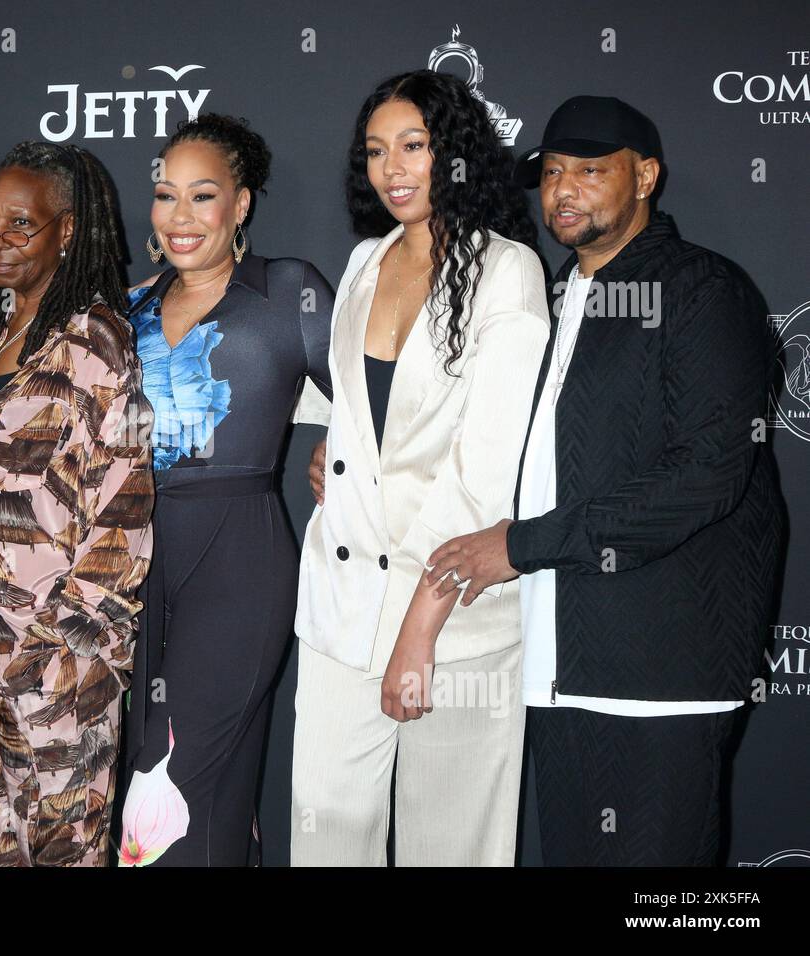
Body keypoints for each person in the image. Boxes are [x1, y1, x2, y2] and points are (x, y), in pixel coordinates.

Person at [427, 95, 785, 866]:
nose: (563, 189)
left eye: (591, 170)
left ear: (647, 176)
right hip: (559, 661)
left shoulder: (703, 291)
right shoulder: (551, 297)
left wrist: (522, 546)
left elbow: (706, 474)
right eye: (553, 172)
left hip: (662, 661)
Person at [292, 70, 548, 866]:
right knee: (325, 829)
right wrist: (331, 451)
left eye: (414, 146)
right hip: (343, 605)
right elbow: (355, 407)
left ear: (456, 154)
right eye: (376, 152)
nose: (393, 169)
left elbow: (483, 474)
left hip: (455, 614)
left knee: (454, 844)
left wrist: (418, 633)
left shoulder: (508, 270)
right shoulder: (364, 263)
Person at [0, 141, 154, 867]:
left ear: (67, 232)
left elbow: (124, 509)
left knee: (63, 854)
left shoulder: (97, 342)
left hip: (52, 665)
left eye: (21, 224)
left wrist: (60, 651)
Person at [117, 114, 333, 867]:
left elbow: (382, 408)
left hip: (240, 557)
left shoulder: (287, 290)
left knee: (170, 785)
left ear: (241, 204)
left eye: (201, 196)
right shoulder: (128, 305)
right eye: (165, 195)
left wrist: (341, 446)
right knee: (183, 777)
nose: (179, 218)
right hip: (134, 562)